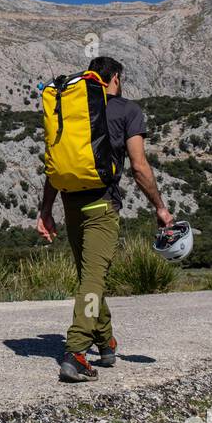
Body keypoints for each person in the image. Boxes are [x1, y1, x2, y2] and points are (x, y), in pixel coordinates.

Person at [36, 56, 174, 383]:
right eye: (120, 79)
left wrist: (45, 210)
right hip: (102, 205)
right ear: (113, 78)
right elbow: (140, 168)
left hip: (71, 203)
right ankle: (76, 353)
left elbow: (55, 165)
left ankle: (105, 340)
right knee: (93, 280)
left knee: (90, 276)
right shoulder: (128, 110)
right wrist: (159, 206)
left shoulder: (70, 111)